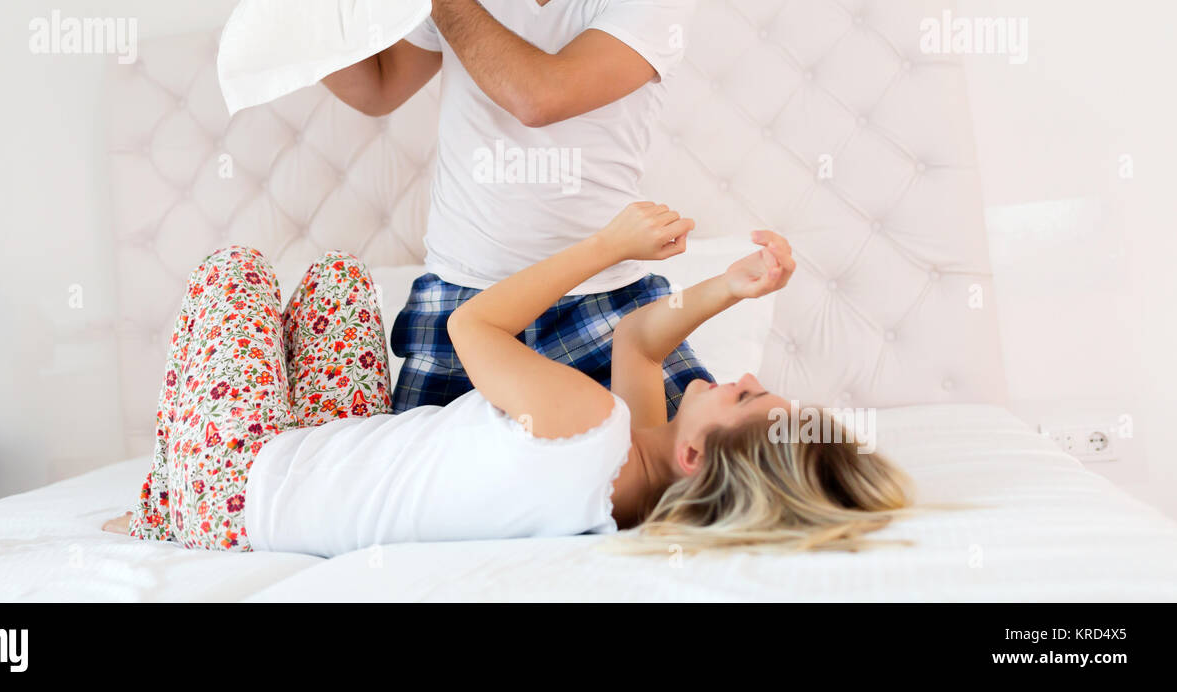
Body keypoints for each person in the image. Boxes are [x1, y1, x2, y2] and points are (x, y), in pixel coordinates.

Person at [235, 0, 713, 418]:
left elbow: (538, 95)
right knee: (421, 509)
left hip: (607, 300)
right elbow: (378, 90)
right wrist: (288, 10)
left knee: (706, 479)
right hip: (462, 305)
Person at [104, 202, 918, 557]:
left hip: (247, 488)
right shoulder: (623, 486)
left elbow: (471, 327)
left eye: (745, 396)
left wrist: (605, 248)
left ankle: (166, 503)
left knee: (236, 271)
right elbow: (637, 345)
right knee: (334, 283)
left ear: (696, 458)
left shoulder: (588, 426)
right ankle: (183, 479)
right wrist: (727, 289)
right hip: (319, 446)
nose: (739, 375)